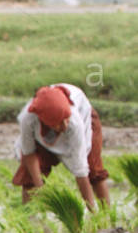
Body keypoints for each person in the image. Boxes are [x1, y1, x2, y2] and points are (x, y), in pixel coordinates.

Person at [12, 82, 110, 210]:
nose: (64, 126)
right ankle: (29, 219)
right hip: (44, 130)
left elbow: (81, 170)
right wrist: (42, 189)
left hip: (83, 121)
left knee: (94, 170)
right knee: (29, 175)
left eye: (66, 120)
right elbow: (29, 153)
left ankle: (106, 215)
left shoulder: (74, 121)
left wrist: (92, 209)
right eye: (60, 123)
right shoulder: (28, 119)